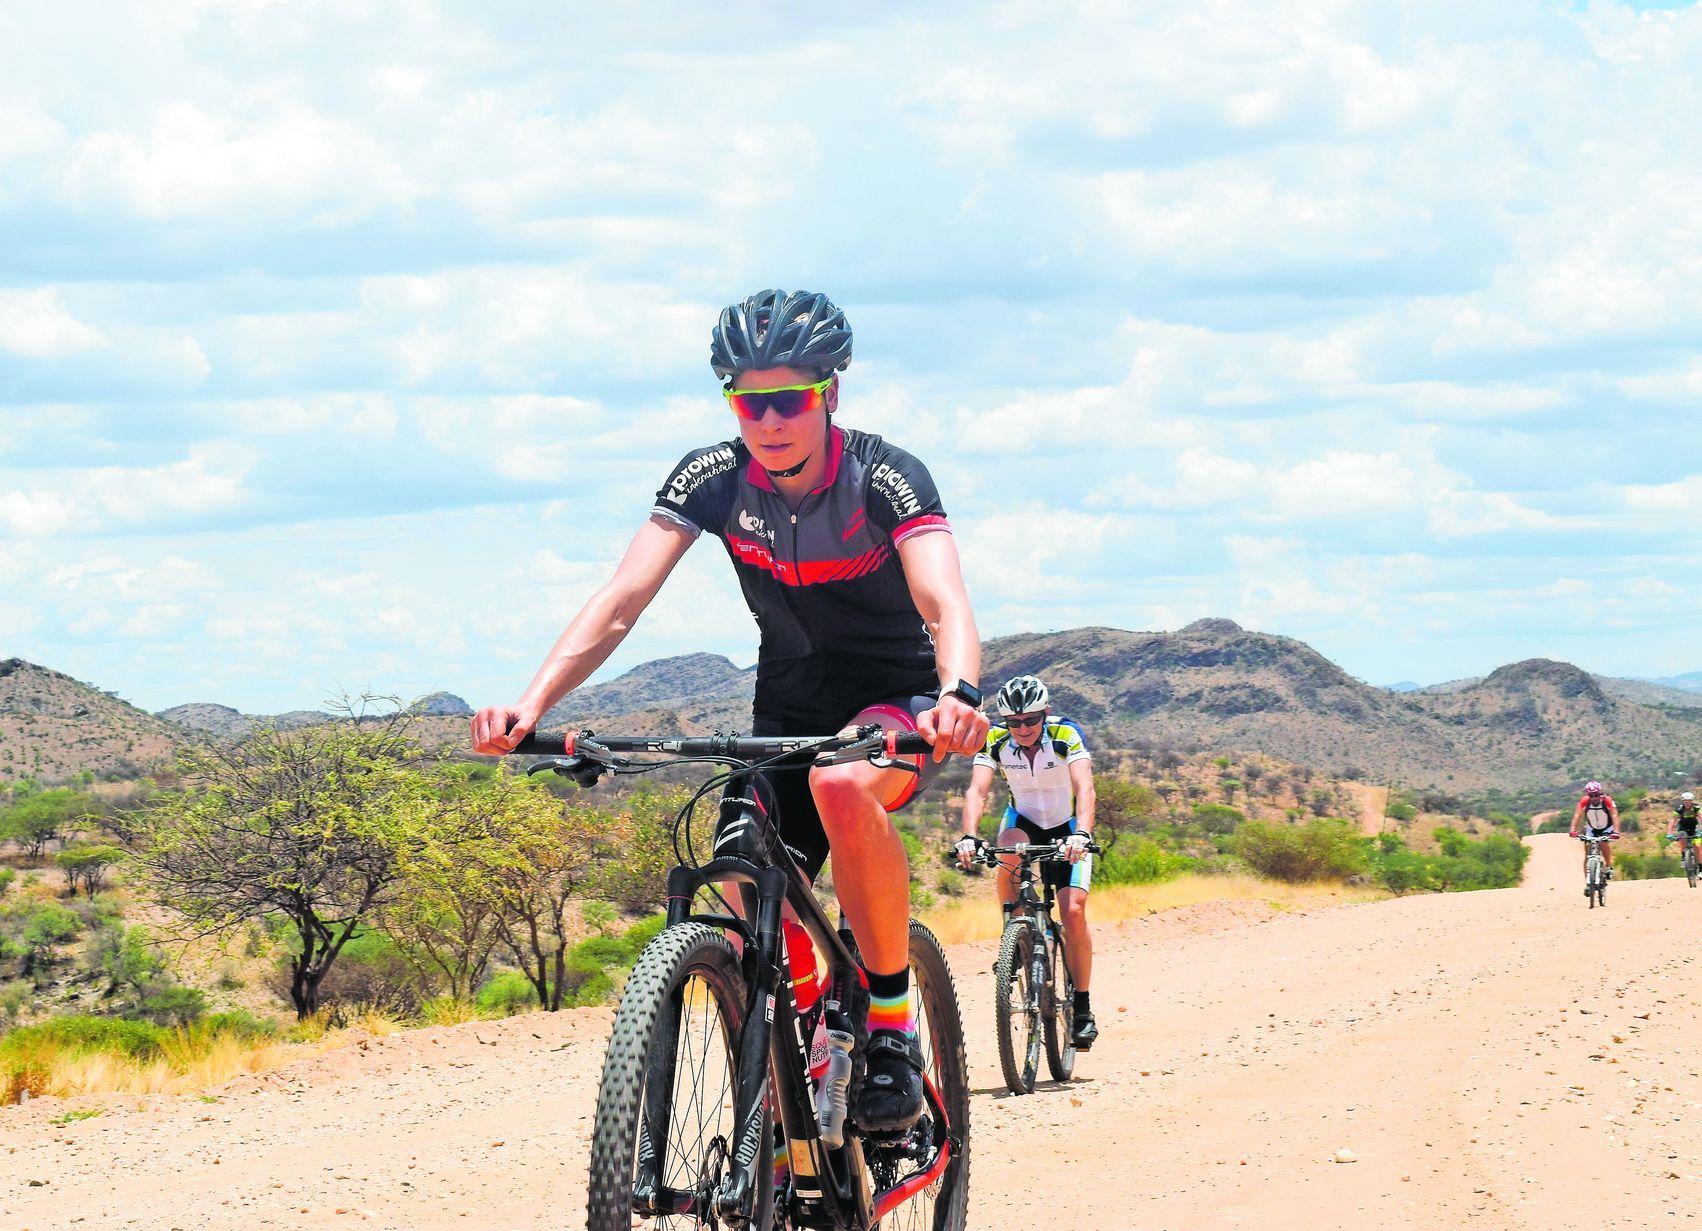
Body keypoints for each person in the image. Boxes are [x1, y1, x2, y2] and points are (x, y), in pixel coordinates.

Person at [470, 288, 988, 1133]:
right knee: (744, 868)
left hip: (897, 699)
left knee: (841, 785)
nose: (769, 419)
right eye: (749, 401)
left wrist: (961, 692)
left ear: (830, 393)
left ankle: (890, 1025)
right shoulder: (712, 478)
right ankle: (818, 1026)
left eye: (790, 399)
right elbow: (621, 601)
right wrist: (530, 706)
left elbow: (944, 599)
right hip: (786, 699)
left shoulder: (884, 474)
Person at [955, 674, 1100, 1049]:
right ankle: (1014, 935)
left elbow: (1085, 787)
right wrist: (969, 835)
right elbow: (978, 789)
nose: (1022, 728)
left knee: (1072, 911)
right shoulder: (996, 739)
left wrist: (1081, 834)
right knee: (1005, 851)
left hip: (1066, 827)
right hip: (1025, 822)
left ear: (1045, 713)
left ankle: (1082, 1008)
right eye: (1014, 721)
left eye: (1030, 720)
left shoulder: (1066, 735)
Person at [1569, 780, 1619, 883]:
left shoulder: (1607, 800)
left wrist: (1616, 831)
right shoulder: (1585, 801)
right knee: (1587, 852)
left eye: (1596, 795)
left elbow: (1614, 815)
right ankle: (1588, 882)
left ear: (1600, 793)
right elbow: (1577, 815)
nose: (1594, 798)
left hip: (1607, 828)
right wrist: (1572, 829)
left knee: (1603, 843)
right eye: (1591, 795)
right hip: (1592, 828)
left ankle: (1608, 866)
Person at [1668, 791, 1700, 858]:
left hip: (1694, 827)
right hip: (1683, 827)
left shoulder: (1696, 808)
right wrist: (1669, 833)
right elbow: (1673, 821)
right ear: (1683, 801)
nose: (1687, 802)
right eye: (1685, 801)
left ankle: (1699, 863)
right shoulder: (1679, 809)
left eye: (1689, 801)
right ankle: (1683, 856)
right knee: (1682, 839)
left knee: (1697, 845)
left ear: (1692, 801)